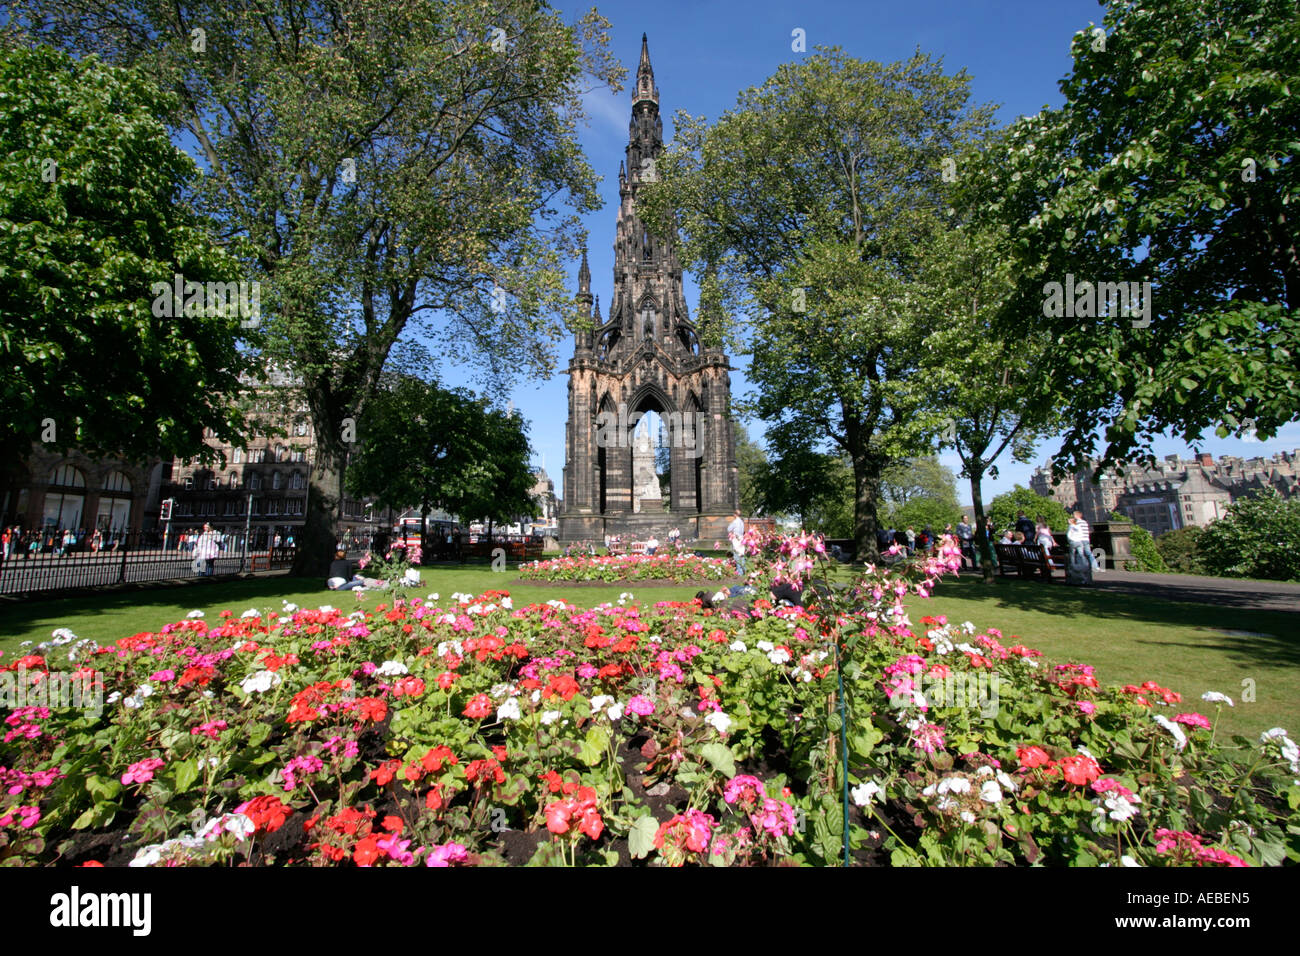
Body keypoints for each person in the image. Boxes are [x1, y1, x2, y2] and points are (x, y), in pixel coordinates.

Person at [727, 510, 746, 576]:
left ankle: (739, 572)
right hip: (742, 538)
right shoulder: (742, 522)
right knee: (742, 554)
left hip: (736, 539)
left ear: (735, 514)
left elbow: (729, 529)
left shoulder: (735, 522)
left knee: (736, 555)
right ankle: (743, 569)